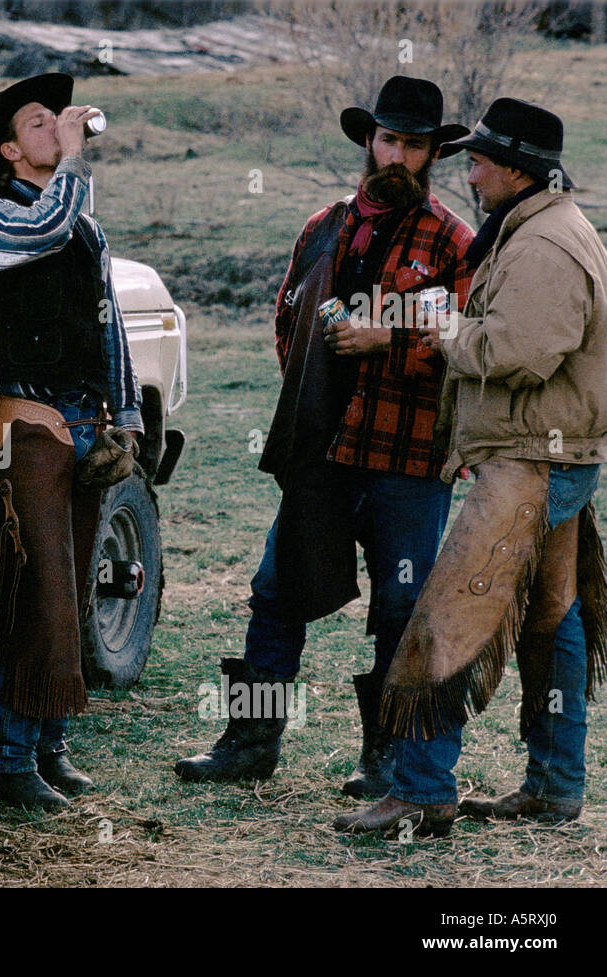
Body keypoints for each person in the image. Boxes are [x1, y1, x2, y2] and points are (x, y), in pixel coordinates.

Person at [175, 77, 474, 797]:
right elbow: (287, 322)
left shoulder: (455, 240)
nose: (400, 155)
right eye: (390, 139)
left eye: (415, 144)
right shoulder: (322, 227)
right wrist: (316, 379)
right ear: (369, 142)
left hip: (407, 457)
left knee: (401, 610)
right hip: (323, 454)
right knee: (276, 591)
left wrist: (387, 342)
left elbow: (467, 343)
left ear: (433, 154)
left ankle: (387, 761)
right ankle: (251, 742)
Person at [335, 98, 607, 836]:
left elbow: (520, 352)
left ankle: (423, 791)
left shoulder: (544, 244)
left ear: (517, 169)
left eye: (482, 161)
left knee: (447, 620)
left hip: (528, 464)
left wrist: (447, 327)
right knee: (553, 621)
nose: (473, 174)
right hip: (550, 456)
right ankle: (554, 787)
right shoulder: (540, 227)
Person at [0, 73, 143, 810]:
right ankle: (7, 759)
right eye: (40, 123)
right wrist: (75, 161)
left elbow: (107, 316)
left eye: (58, 122)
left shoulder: (84, 224)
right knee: (33, 590)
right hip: (28, 421)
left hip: (78, 418)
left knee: (67, 586)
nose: (57, 128)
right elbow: (43, 230)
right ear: (10, 149)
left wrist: (126, 413)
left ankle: (47, 747)